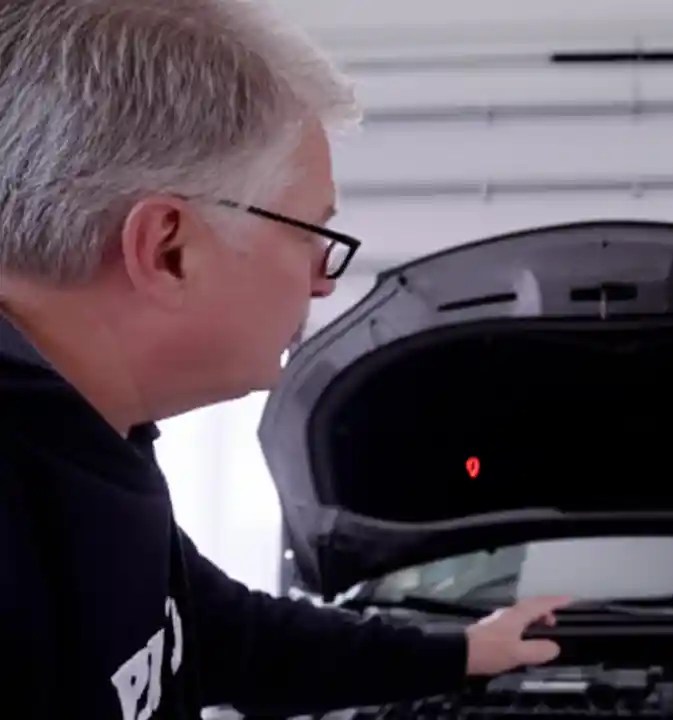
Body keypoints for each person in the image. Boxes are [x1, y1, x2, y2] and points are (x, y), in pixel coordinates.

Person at [0, 0, 573, 717]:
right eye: (311, 232)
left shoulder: (96, 438)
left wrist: (464, 651)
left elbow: (220, 636)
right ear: (168, 249)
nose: (323, 278)